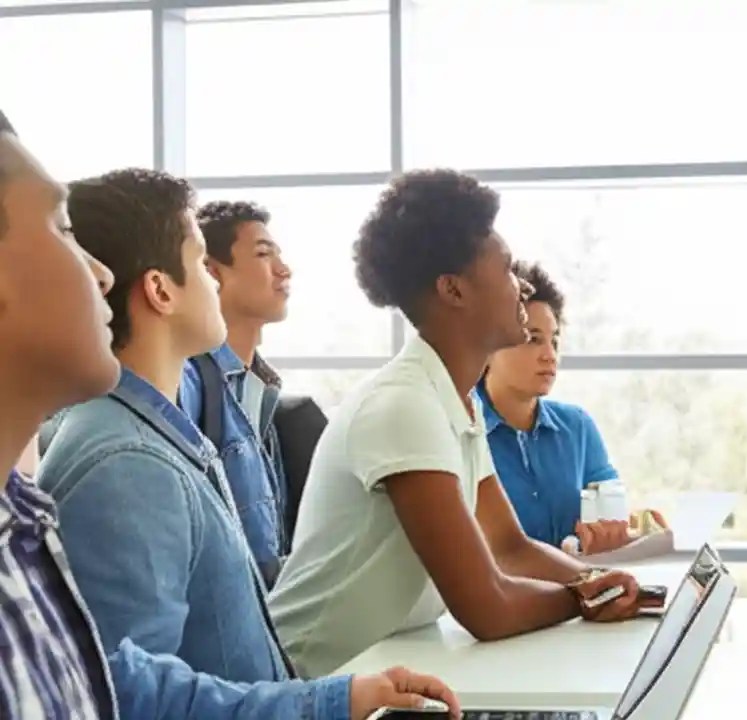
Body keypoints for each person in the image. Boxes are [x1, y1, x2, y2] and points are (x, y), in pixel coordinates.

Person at [0, 110, 459, 719]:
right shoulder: (126, 460)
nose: (100, 275)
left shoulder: (170, 437)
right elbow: (128, 698)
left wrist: (332, 699)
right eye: (201, 265)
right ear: (162, 290)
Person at [269, 169, 650, 677]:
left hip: (384, 672)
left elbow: (509, 548)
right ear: (453, 289)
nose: (524, 285)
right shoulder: (404, 405)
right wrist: (584, 597)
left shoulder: (457, 404)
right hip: (308, 684)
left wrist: (602, 578)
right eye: (508, 267)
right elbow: (485, 607)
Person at [475, 260, 627, 550]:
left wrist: (616, 530)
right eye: (533, 339)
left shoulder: (578, 426)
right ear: (489, 345)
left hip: (580, 592)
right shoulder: (461, 429)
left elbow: (611, 507)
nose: (549, 355)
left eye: (554, 341)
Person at [179, 199, 291, 585]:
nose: (283, 270)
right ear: (212, 273)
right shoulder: (191, 385)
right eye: (263, 254)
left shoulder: (261, 390)